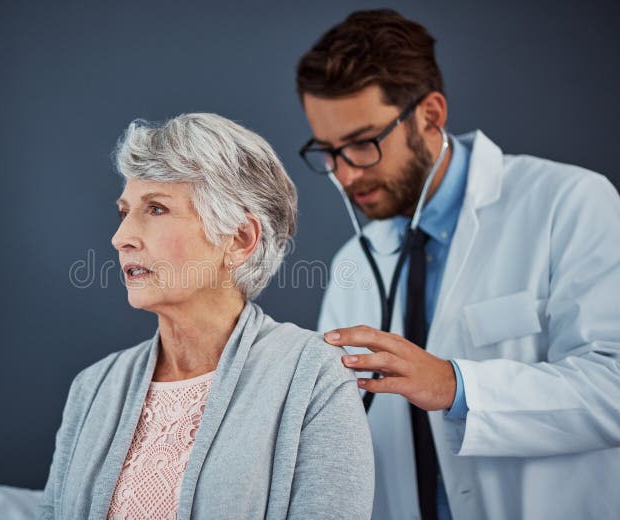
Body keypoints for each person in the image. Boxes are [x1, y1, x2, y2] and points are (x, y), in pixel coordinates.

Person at [295, 9, 620, 520]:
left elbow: (614, 389)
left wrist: (454, 385)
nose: (343, 174)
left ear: (431, 115)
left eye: (362, 143)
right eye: (327, 151)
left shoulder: (569, 203)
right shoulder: (354, 263)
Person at [38, 113, 374, 519]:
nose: (121, 237)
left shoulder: (314, 377)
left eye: (156, 209)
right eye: (124, 211)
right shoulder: (92, 388)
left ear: (239, 239)